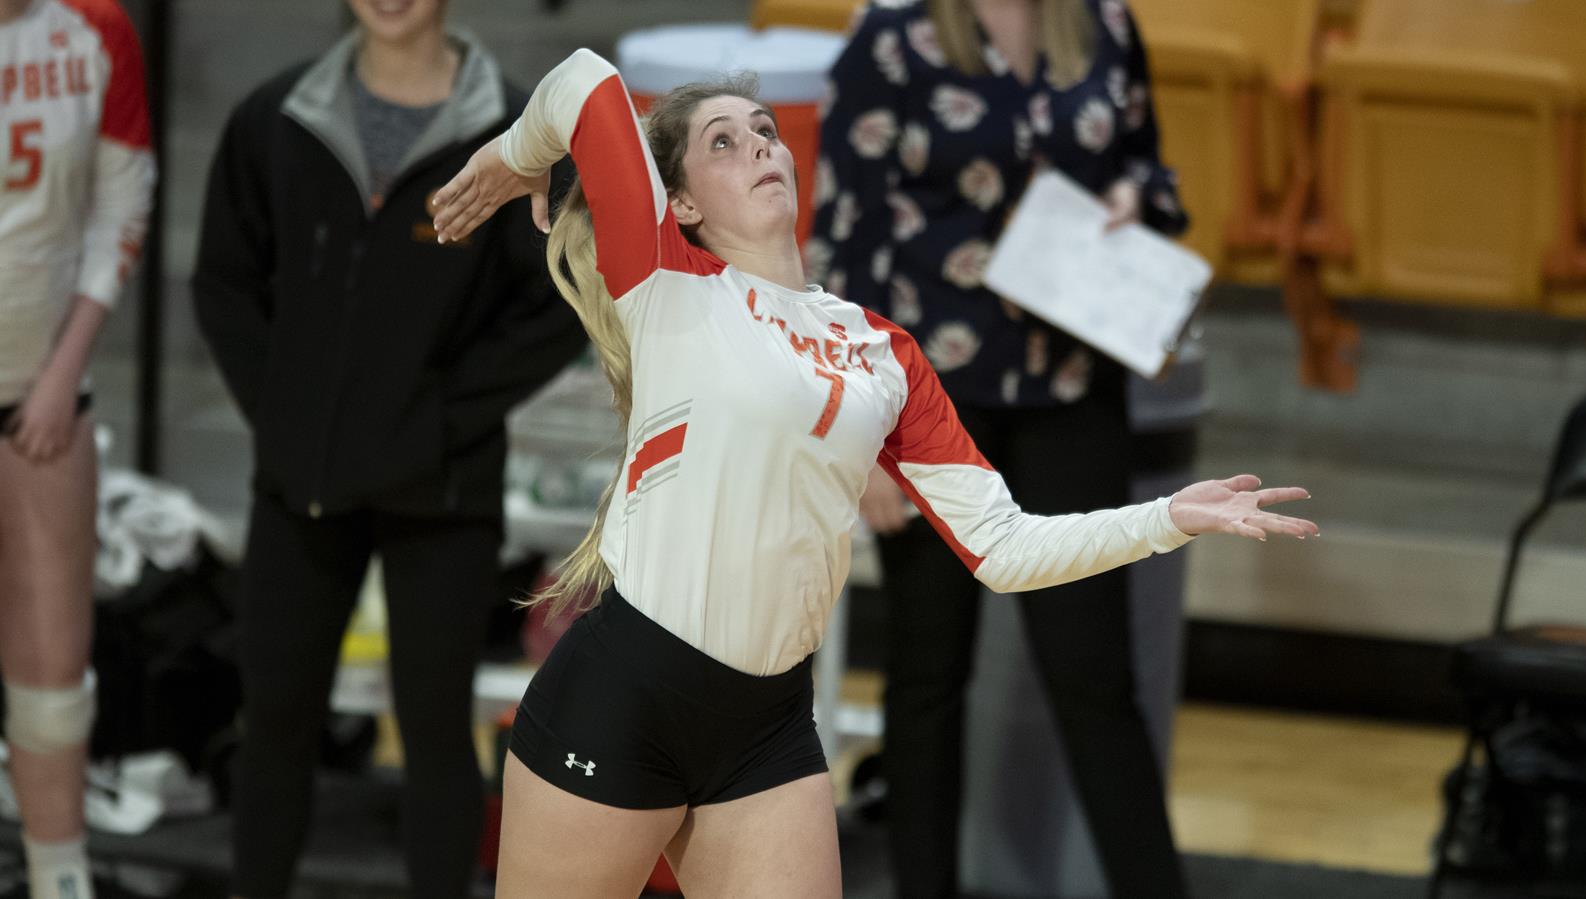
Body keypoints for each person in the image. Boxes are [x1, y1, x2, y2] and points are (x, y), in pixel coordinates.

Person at [429, 45, 1315, 899]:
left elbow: (1001, 546)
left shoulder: (881, 350)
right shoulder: (666, 278)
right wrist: (514, 161)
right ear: (684, 205)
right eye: (723, 143)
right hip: (625, 693)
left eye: (766, 130)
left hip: (765, 726)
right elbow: (584, 81)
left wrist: (1169, 516)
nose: (760, 148)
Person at [190, 2, 584, 896]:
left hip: (441, 488)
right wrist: (285, 414)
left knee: (437, 730)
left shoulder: (517, 139)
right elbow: (224, 279)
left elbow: (555, 302)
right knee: (274, 726)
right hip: (301, 484)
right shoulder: (274, 119)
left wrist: (441, 418)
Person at [809, 0, 1193, 894]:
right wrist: (861, 442)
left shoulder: (1104, 23)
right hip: (932, 408)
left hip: (1071, 391)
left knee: (1096, 674)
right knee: (930, 673)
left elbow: (1151, 165)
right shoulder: (891, 40)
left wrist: (1136, 200)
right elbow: (845, 248)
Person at [0, 0, 154, 896]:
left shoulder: (97, 27)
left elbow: (122, 202)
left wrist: (63, 370)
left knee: (54, 660)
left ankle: (61, 875)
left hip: (43, 389)